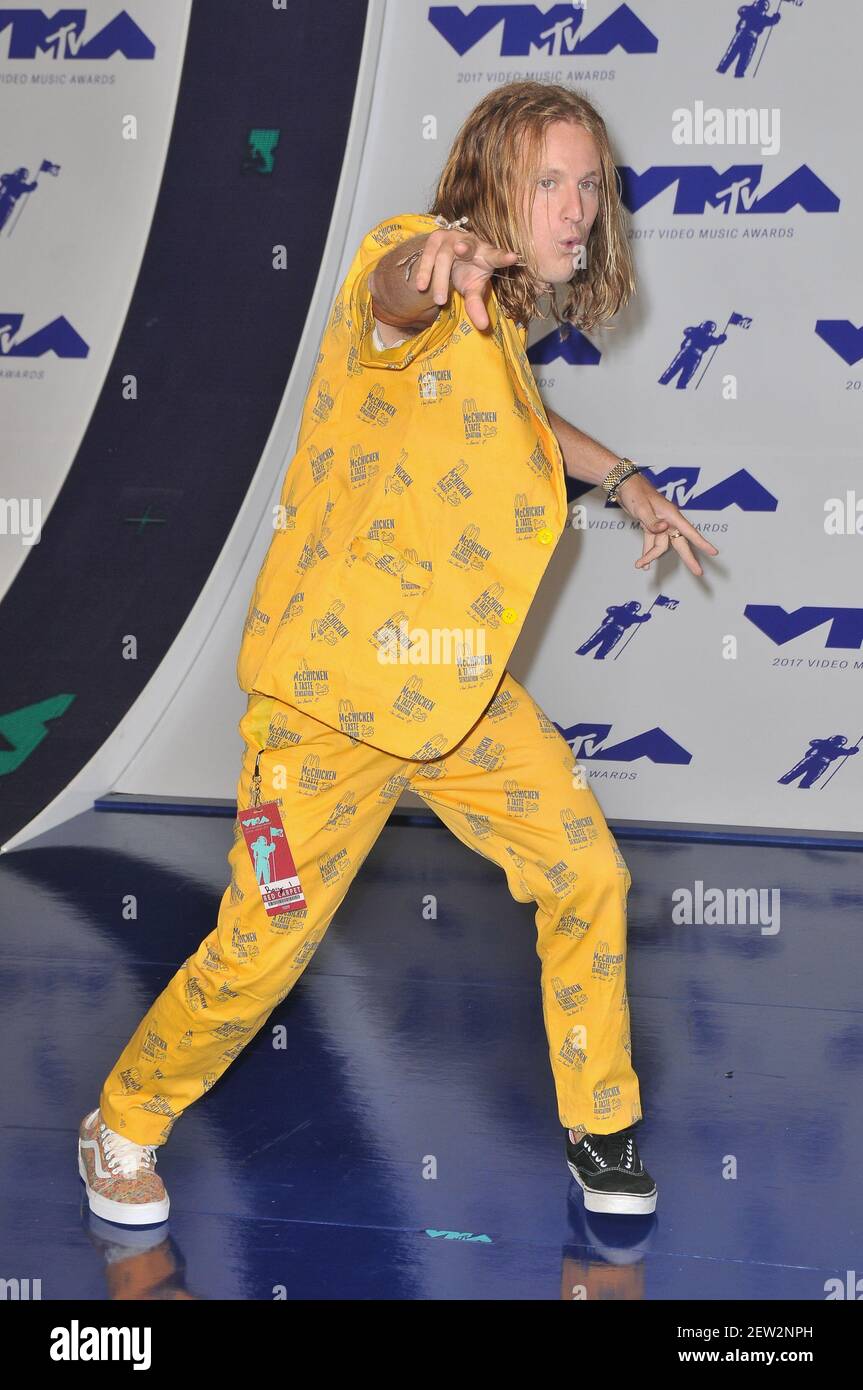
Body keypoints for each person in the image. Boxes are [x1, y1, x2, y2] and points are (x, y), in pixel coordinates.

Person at [79, 82, 718, 1229]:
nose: (576, 208)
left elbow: (522, 423)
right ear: (488, 186)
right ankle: (122, 1121)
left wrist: (623, 477)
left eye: (588, 184)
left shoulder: (499, 331)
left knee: (584, 870)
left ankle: (600, 1119)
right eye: (546, 182)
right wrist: (433, 262)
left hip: (454, 692)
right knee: (262, 943)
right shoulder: (418, 268)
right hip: (324, 707)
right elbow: (393, 291)